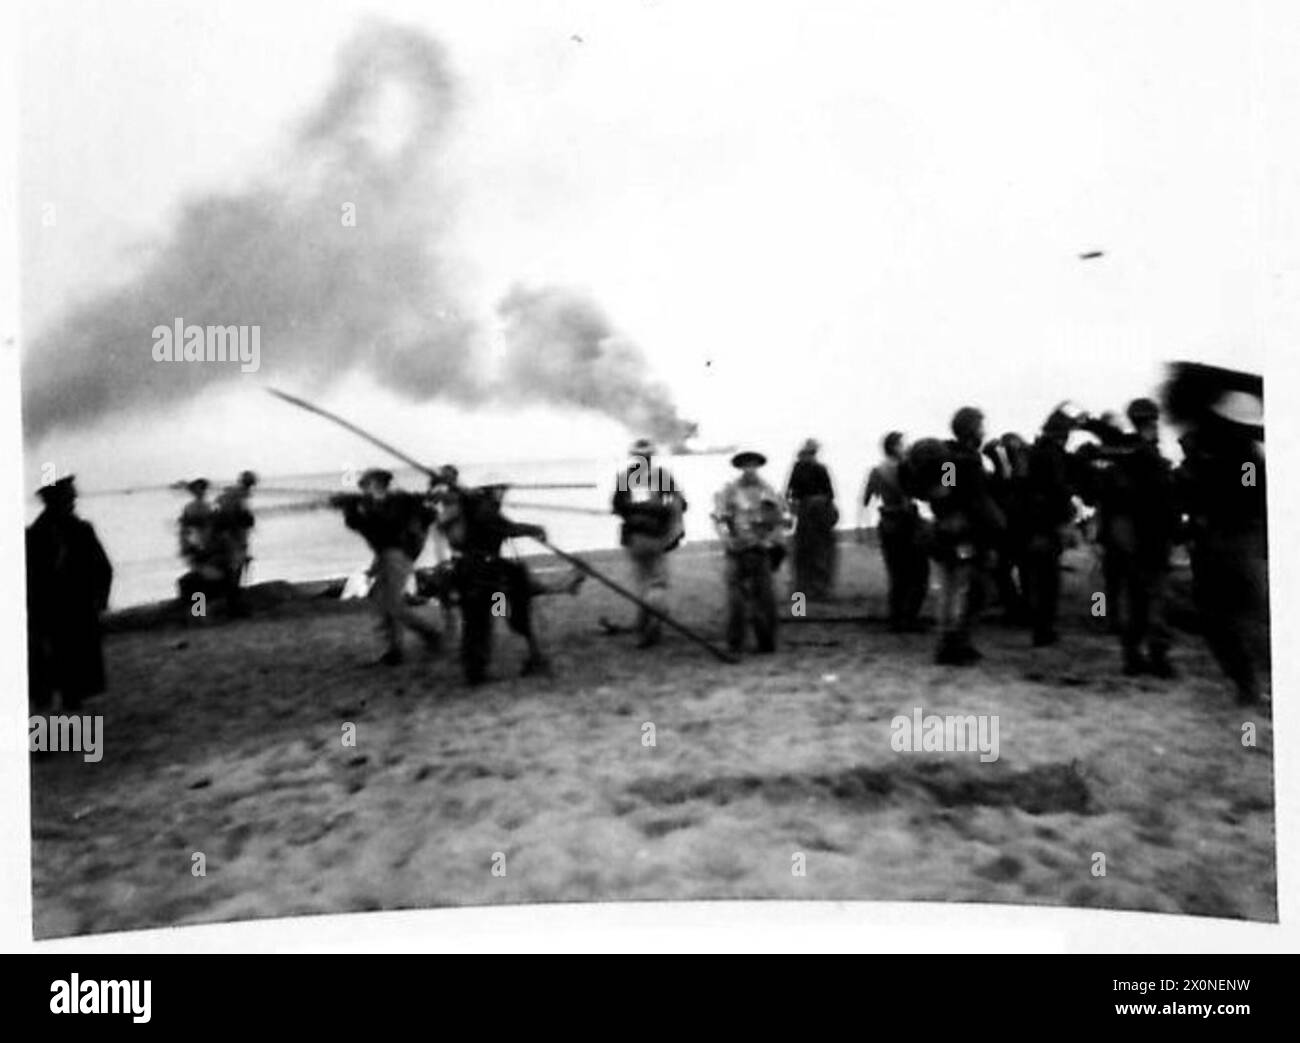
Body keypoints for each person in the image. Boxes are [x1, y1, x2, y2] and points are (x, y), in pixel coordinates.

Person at [1177, 400, 1268, 702]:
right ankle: (1245, 680)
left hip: (1235, 541)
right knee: (1215, 619)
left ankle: (1249, 682)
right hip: (1214, 544)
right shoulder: (1206, 458)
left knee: (1235, 616)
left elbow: (1249, 495)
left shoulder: (1244, 459)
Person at [1084, 400, 1179, 677]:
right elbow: (1165, 499)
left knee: (1126, 595)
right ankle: (1154, 656)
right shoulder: (1145, 455)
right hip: (1149, 537)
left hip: (1124, 537)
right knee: (1153, 599)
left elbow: (1100, 494)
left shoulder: (1119, 457)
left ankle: (1126, 648)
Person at [434, 473, 551, 685]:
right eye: (501, 489)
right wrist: (535, 530)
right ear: (492, 489)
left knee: (479, 620)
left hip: (474, 572)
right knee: (480, 621)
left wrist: (530, 530)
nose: (503, 493)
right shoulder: (484, 508)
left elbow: (504, 526)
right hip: (481, 573)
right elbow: (507, 528)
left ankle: (477, 668)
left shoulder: (475, 506)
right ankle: (476, 673)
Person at [335, 468, 443, 665]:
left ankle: (431, 636)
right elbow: (363, 526)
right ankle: (395, 650)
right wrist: (348, 509)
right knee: (381, 599)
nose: (364, 490)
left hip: (397, 556)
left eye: (366, 485)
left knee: (392, 604)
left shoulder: (397, 503)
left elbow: (385, 523)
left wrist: (358, 507)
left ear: (378, 484)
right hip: (387, 556)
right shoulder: (385, 504)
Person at [26, 476, 114, 712]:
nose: (74, 498)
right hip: (63, 611)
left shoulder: (38, 532)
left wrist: (100, 601)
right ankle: (61, 725)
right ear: (55, 499)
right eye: (69, 494)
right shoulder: (44, 533)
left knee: (60, 673)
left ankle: (63, 722)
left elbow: (103, 568)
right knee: (60, 673)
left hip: (64, 611)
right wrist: (100, 602)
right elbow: (103, 568)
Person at [927, 407, 1005, 665]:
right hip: (968, 535)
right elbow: (979, 502)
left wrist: (948, 515)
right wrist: (996, 529)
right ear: (972, 430)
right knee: (967, 590)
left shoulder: (949, 460)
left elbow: (944, 494)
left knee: (952, 590)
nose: (983, 431)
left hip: (948, 532)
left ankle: (951, 643)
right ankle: (955, 645)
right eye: (980, 427)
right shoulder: (969, 462)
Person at [713, 451, 791, 654]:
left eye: (753, 465)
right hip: (737, 549)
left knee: (765, 599)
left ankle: (766, 642)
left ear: (758, 466)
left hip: (760, 550)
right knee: (735, 600)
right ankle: (735, 641)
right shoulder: (729, 491)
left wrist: (772, 540)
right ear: (740, 468)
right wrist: (727, 540)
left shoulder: (768, 491)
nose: (750, 469)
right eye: (746, 465)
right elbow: (719, 518)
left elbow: (781, 519)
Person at [612, 438, 687, 648]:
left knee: (643, 584)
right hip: (656, 537)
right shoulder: (659, 476)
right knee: (658, 583)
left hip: (634, 540)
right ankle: (652, 625)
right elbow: (679, 504)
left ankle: (645, 624)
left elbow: (618, 507)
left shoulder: (626, 477)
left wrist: (633, 511)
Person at [1021, 410, 1079, 647]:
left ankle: (1036, 625)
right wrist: (1069, 512)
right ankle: (1099, 613)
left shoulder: (1032, 453)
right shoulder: (1053, 456)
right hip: (1047, 526)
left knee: (1034, 579)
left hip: (1030, 525)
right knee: (1049, 581)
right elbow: (1059, 489)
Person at [863, 431, 930, 631]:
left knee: (897, 574)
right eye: (902, 445)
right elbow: (921, 492)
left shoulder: (877, 470)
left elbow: (867, 499)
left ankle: (896, 618)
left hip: (887, 523)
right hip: (907, 521)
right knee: (918, 573)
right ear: (894, 447)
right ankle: (909, 618)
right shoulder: (905, 467)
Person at [785, 438, 839, 600]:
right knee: (816, 554)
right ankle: (813, 594)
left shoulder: (802, 468)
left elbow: (790, 493)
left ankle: (806, 599)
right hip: (813, 515)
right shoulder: (816, 468)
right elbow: (830, 495)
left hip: (812, 515)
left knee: (807, 555)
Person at [211, 470, 258, 614]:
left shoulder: (230, 496)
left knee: (233, 570)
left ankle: (232, 603)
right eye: (250, 484)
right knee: (235, 571)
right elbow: (240, 519)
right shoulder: (237, 497)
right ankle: (233, 606)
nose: (250, 488)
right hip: (234, 539)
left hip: (231, 538)